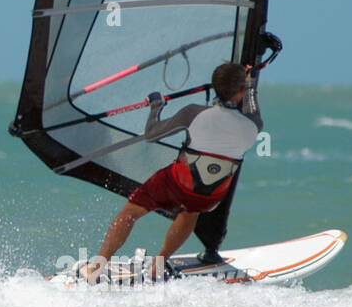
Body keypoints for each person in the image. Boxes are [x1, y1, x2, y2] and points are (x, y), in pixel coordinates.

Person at [78, 61, 264, 283]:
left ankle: (97, 267)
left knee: (130, 213)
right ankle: (159, 264)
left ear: (214, 87)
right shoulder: (253, 125)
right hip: (210, 197)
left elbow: (152, 134)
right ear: (241, 91)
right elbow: (251, 105)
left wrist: (156, 106)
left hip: (177, 184)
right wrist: (251, 83)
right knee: (190, 210)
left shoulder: (192, 113)